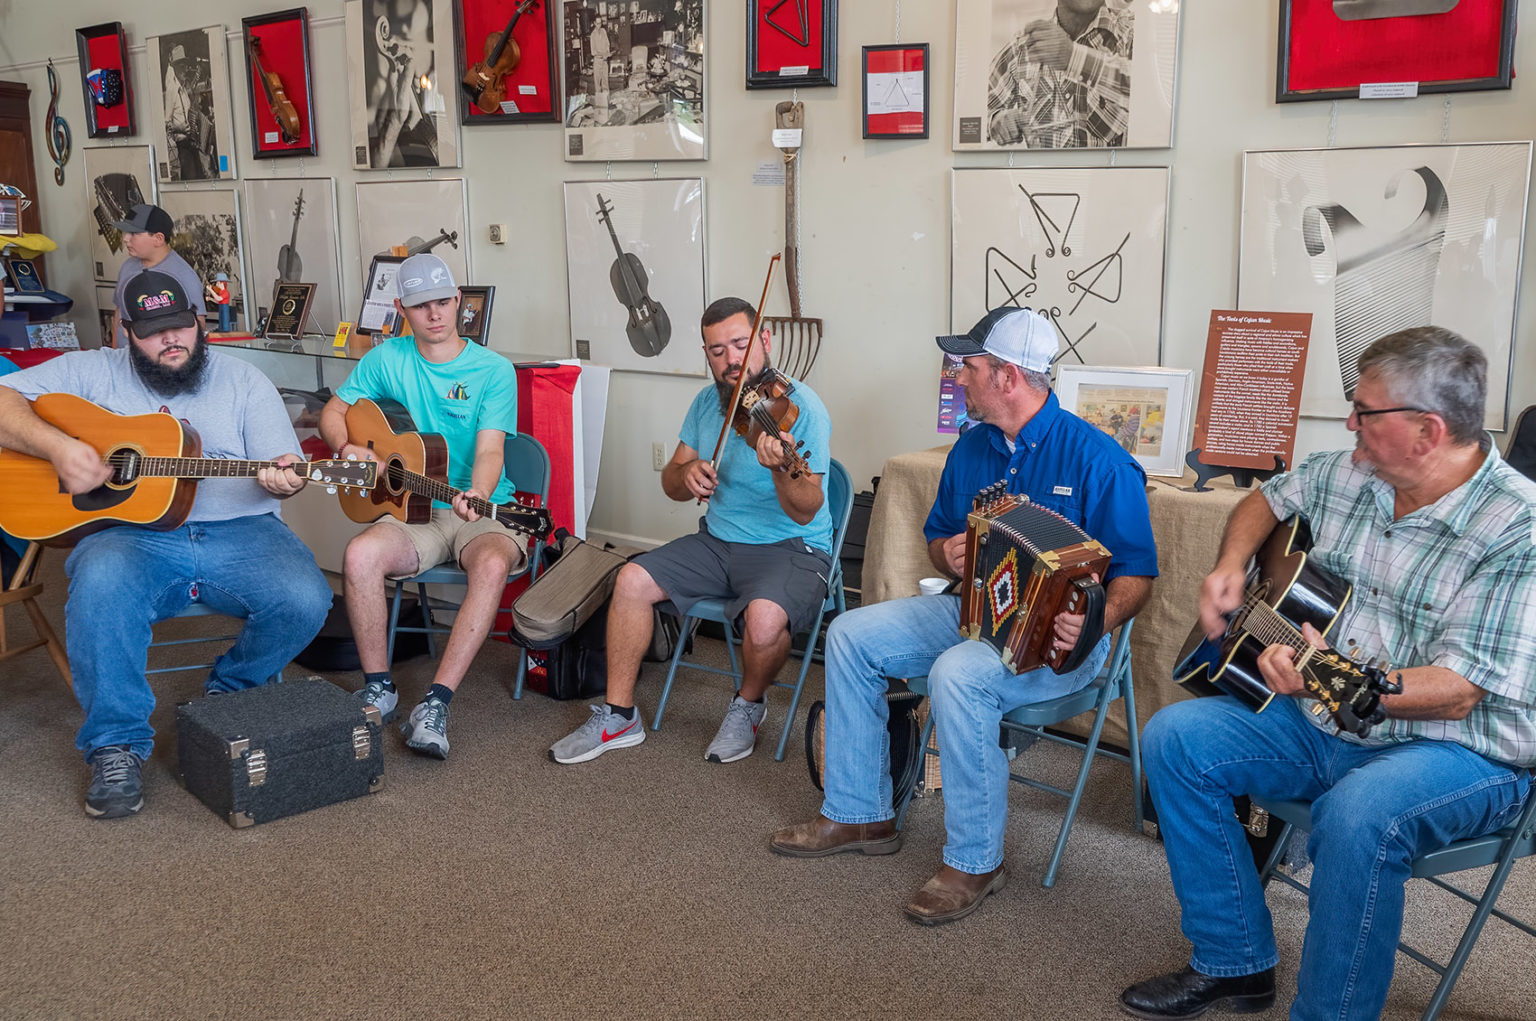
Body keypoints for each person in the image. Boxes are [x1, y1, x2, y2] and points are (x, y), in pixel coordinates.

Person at [1120, 327, 1536, 1021]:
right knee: (1176, 738)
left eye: (1364, 411)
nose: (1349, 422)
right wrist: (1229, 568)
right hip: (1326, 719)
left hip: (1463, 750)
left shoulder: (1519, 527)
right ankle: (1234, 961)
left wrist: (1322, 678)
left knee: (1359, 814)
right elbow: (1267, 500)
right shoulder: (1351, 470)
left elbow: (1460, 689)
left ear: (1427, 431)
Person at [770, 307, 1157, 925]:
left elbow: (1137, 575)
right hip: (972, 613)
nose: (958, 377)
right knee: (848, 635)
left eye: (968, 367)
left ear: (1006, 377)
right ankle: (859, 813)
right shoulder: (971, 447)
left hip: (1063, 644)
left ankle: (976, 860)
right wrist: (945, 552)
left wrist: (1094, 623)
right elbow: (938, 537)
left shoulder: (1098, 459)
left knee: (958, 673)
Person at [0, 271, 331, 820]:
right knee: (99, 587)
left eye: (181, 326)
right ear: (124, 331)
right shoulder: (89, 371)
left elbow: (285, 465)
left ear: (200, 322)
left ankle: (229, 693)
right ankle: (116, 745)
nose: (171, 341)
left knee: (306, 599)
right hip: (131, 537)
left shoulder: (246, 381)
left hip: (242, 530)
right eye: (153, 332)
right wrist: (57, 446)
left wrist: (288, 478)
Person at [548, 296, 834, 766]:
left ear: (764, 339)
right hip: (718, 542)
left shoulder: (804, 410)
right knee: (631, 580)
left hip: (791, 547)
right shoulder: (707, 404)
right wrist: (687, 475)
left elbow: (807, 509)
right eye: (717, 351)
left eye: (740, 344)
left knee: (763, 622)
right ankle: (619, 716)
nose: (731, 360)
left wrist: (783, 470)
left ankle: (748, 705)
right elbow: (672, 482)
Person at [318, 253, 522, 760]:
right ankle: (378, 687)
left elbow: (492, 448)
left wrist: (476, 491)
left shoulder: (493, 370)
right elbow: (334, 412)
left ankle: (435, 702)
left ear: (458, 302)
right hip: (414, 504)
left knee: (492, 562)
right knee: (360, 556)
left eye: (442, 302)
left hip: (481, 505)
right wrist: (348, 447)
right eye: (420, 306)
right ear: (400, 309)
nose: (434, 314)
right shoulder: (386, 359)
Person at [987, 0, 1133, 149]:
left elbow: (1147, 97)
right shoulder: (1024, 46)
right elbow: (972, 112)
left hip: (1113, 173)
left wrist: (1072, 57)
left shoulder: (1132, 34)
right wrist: (996, 119)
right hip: (1040, 172)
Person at [111, 203, 205, 348]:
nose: (125, 239)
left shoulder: (183, 275)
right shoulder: (127, 267)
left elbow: (197, 324)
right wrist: (115, 351)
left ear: (158, 239)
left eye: (134, 233)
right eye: (125, 232)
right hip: (125, 359)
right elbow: (119, 313)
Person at [163, 43, 213, 180]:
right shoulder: (172, 90)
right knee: (191, 180)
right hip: (182, 146)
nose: (185, 69)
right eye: (181, 66)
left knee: (201, 178)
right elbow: (165, 123)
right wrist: (179, 127)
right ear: (174, 67)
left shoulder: (184, 89)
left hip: (192, 143)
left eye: (185, 65)